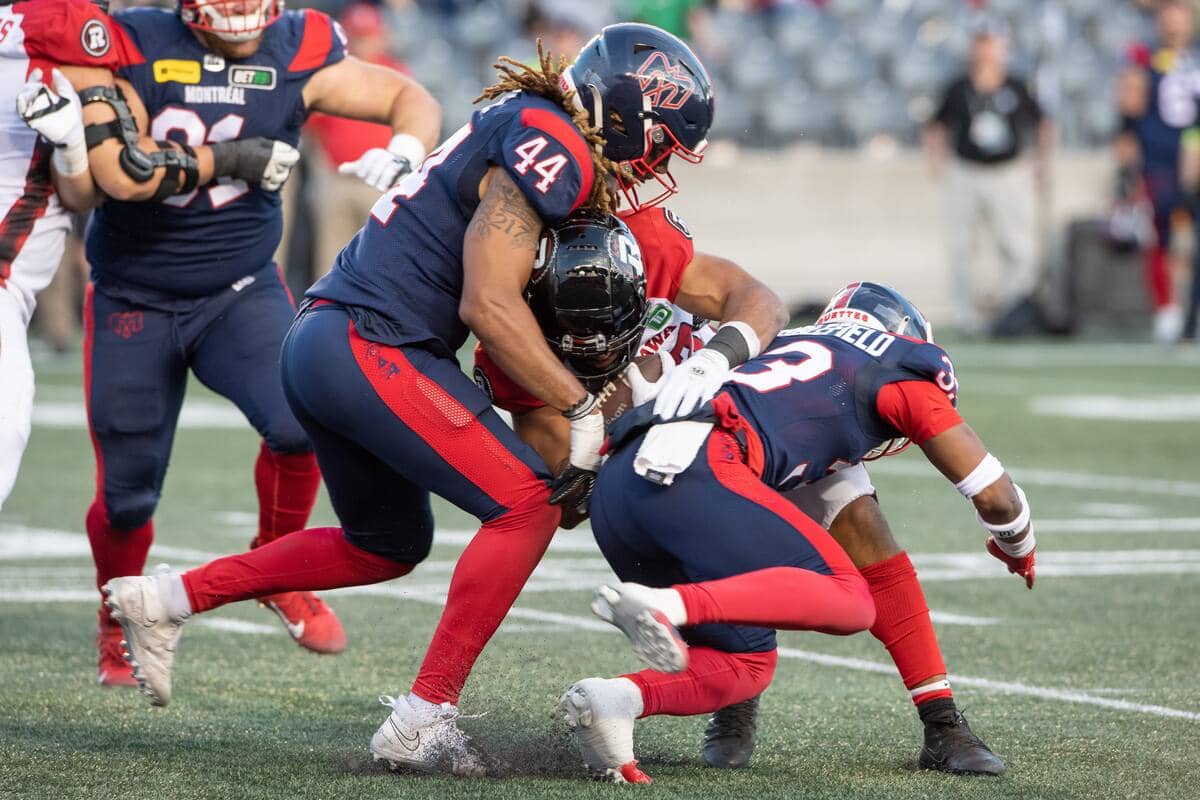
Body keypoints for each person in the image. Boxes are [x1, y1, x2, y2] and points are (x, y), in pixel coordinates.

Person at [101, 23, 716, 777]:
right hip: (371, 342)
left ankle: (165, 598)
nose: (651, 165)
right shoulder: (551, 142)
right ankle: (423, 718)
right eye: (656, 142)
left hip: (332, 338)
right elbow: (488, 304)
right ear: (623, 108)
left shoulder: (533, 122)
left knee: (385, 544)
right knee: (527, 504)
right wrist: (581, 407)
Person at [479, 215, 1011, 775]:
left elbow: (759, 306)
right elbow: (566, 503)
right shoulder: (825, 359)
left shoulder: (742, 320)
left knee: (759, 645)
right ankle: (934, 721)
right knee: (846, 590)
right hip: (686, 453)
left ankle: (632, 700)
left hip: (647, 470)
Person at [78, 0, 442, 685]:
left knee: (301, 427)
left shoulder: (296, 43)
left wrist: (405, 152)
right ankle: (116, 616)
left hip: (238, 292)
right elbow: (117, 167)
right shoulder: (134, 39)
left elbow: (407, 96)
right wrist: (227, 160)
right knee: (128, 496)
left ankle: (278, 569)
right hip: (132, 295)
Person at [924, 29, 1053, 335]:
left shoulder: (1016, 86)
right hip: (966, 171)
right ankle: (964, 315)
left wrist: (1040, 164)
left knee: (1017, 244)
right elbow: (935, 125)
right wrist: (937, 161)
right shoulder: (959, 88)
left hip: (1007, 171)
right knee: (961, 245)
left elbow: (1043, 123)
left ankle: (1013, 310)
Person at [304, 2, 411, 280]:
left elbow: (411, 122)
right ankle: (323, 319)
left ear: (381, 36)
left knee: (380, 260)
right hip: (337, 178)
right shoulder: (332, 73)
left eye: (368, 36)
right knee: (328, 261)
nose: (364, 43)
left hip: (379, 182)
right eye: (358, 36)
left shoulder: (396, 72)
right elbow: (312, 126)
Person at [1117, 1, 1199, 342]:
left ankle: (1190, 313)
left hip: (1193, 156)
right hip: (1159, 159)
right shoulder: (1145, 57)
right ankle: (1167, 309)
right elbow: (1130, 109)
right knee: (1159, 237)